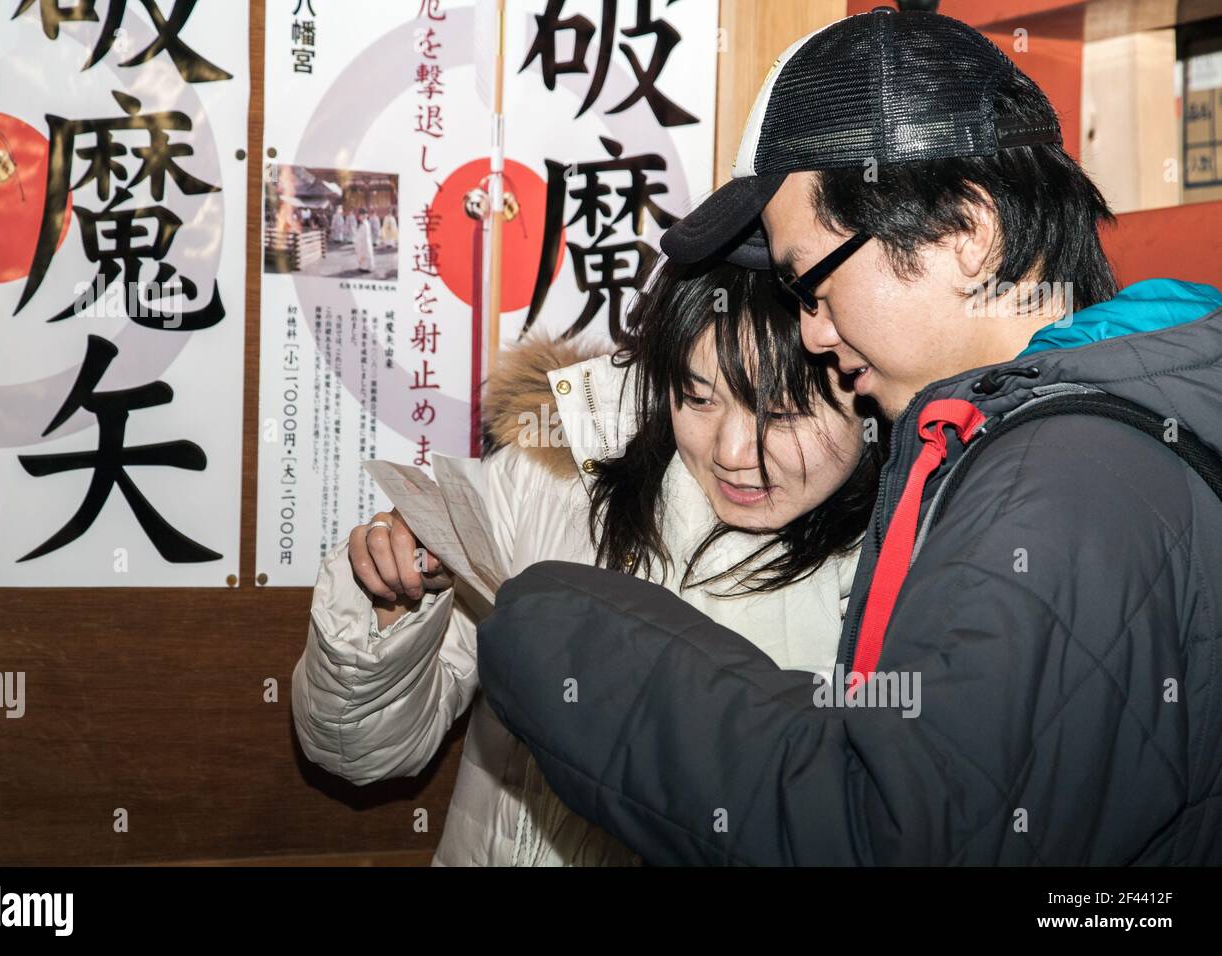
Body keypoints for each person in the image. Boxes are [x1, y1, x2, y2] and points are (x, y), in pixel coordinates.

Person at [475, 7, 1222, 865]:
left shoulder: (1056, 481)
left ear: (966, 234)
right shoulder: (1109, 417)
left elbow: (894, 835)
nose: (816, 336)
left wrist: (556, 635)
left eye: (815, 286)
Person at [290, 257, 884, 865]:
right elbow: (358, 750)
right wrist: (392, 610)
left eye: (780, 414)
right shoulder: (556, 477)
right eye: (697, 398)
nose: (732, 452)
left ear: (867, 392)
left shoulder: (904, 576)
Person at [351, 207, 375, 272]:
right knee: (364, 254)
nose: (359, 217)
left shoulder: (364, 224)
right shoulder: (365, 222)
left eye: (360, 215)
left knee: (364, 254)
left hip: (364, 242)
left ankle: (365, 268)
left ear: (363, 216)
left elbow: (361, 235)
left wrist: (355, 233)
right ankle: (364, 267)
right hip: (365, 242)